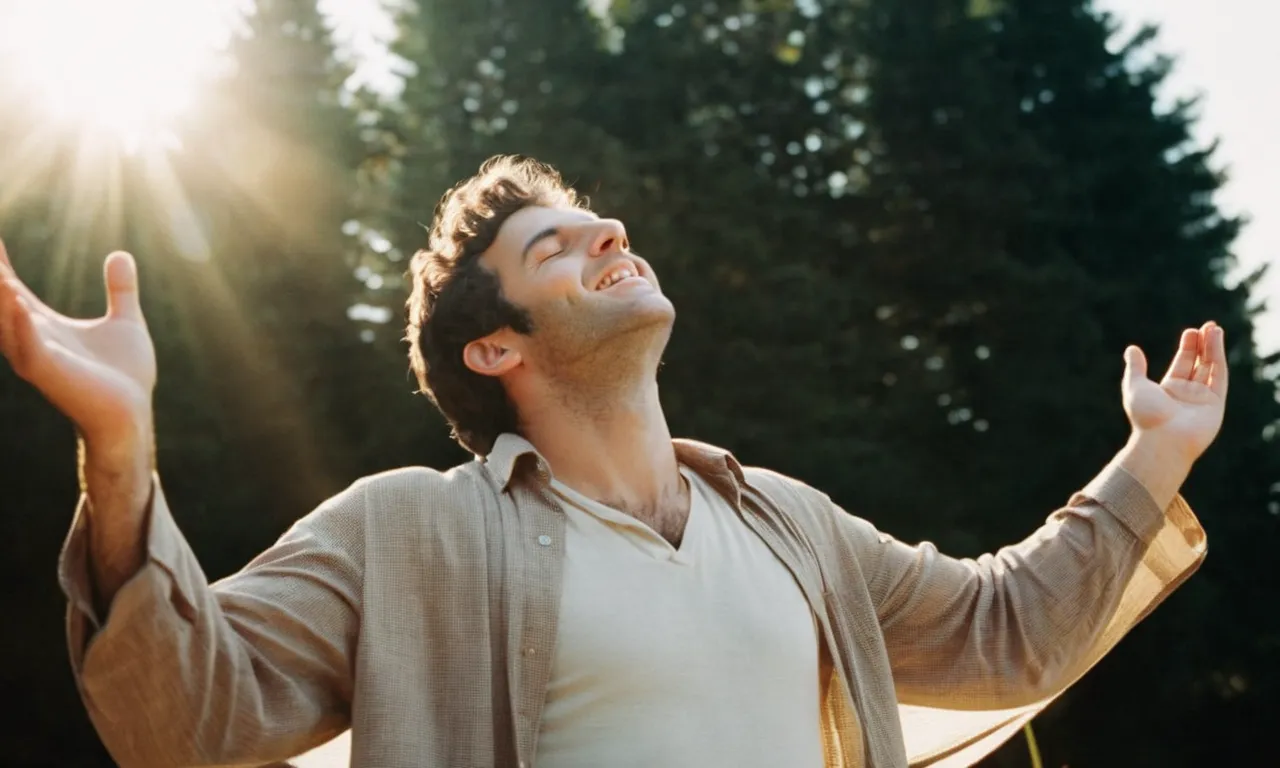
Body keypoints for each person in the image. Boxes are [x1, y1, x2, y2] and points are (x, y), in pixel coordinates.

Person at [0, 156, 1215, 768]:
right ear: (494, 346)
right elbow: (178, 717)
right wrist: (119, 449)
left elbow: (1006, 636)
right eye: (554, 246)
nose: (607, 231)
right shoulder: (403, 533)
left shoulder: (787, 524)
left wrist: (1149, 456)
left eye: (598, 222)